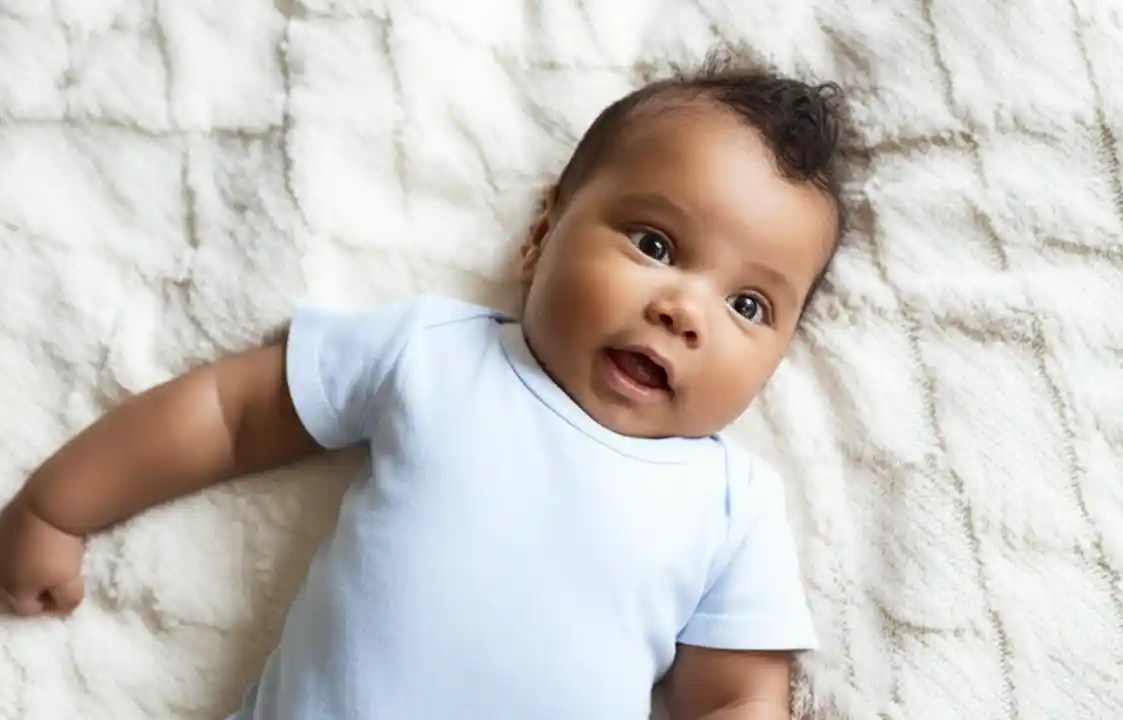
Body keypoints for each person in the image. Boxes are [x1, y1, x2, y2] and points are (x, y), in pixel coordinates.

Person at [0, 54, 853, 718]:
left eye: (748, 304)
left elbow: (738, 698)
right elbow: (233, 412)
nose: (683, 311)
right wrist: (57, 506)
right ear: (542, 235)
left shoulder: (731, 506)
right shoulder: (436, 355)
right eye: (656, 246)